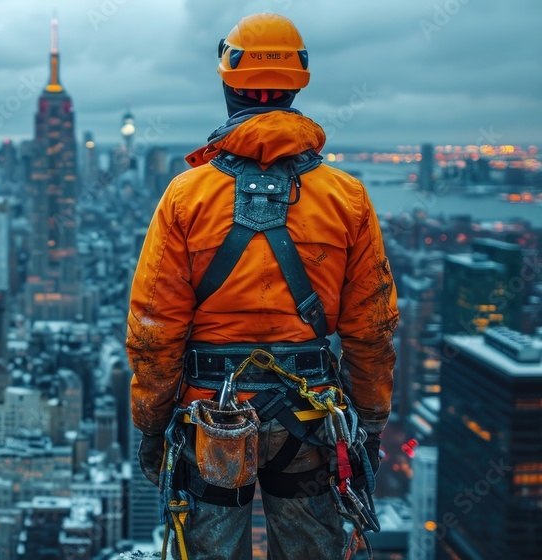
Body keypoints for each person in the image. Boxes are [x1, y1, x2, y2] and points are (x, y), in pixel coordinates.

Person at [126, 12, 398, 560]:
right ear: (298, 84)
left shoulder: (186, 197)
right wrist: (368, 422)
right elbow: (372, 329)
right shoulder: (346, 198)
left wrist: (152, 427)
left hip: (211, 421)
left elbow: (154, 331)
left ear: (228, 84)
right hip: (309, 419)